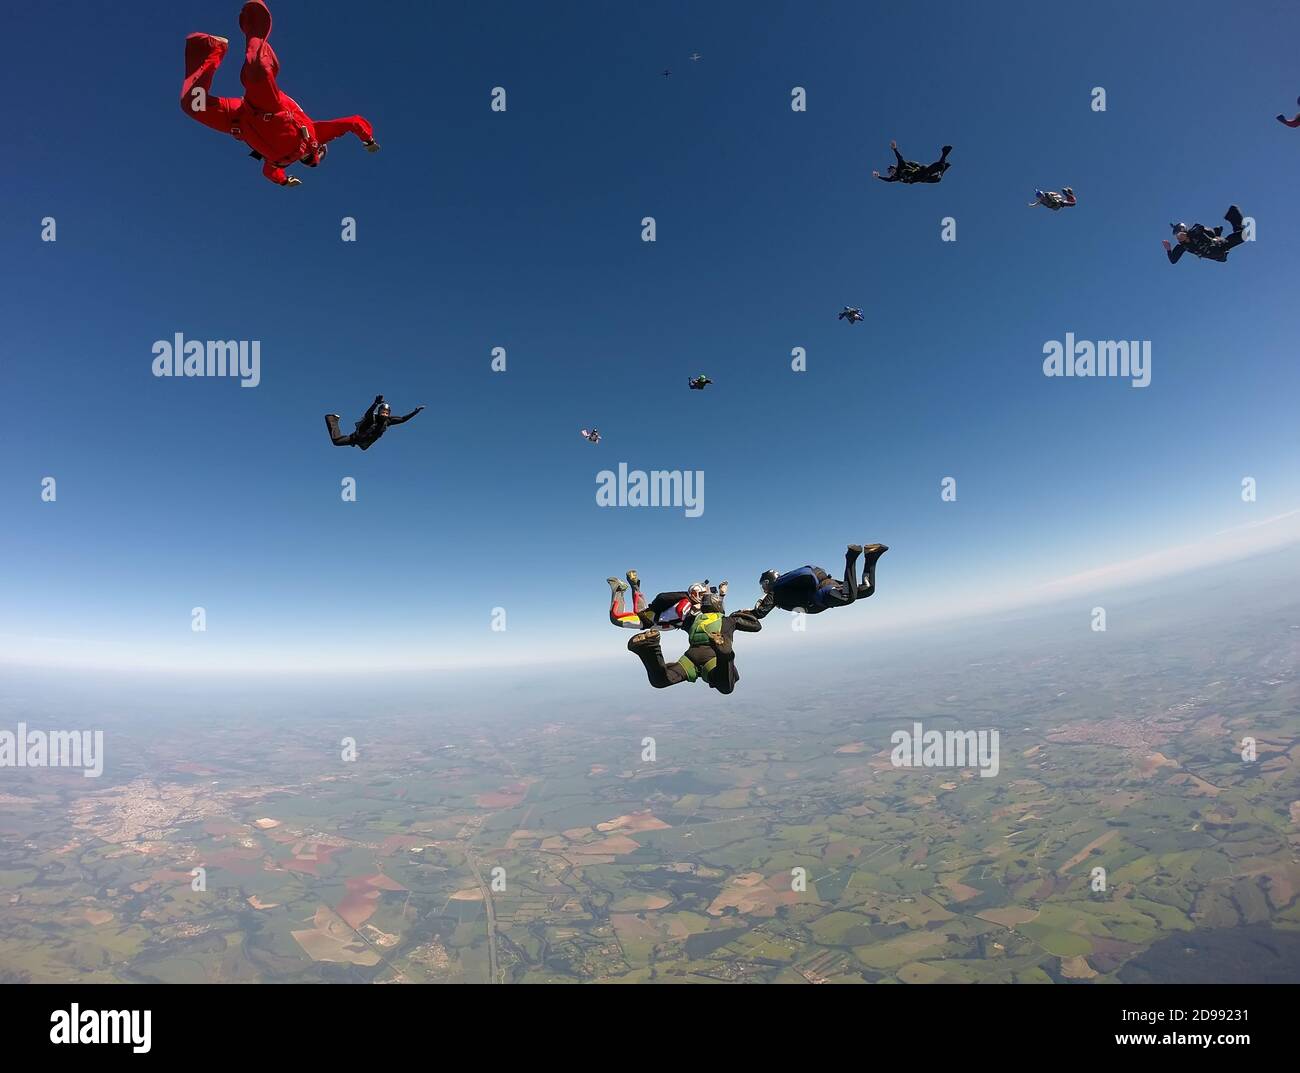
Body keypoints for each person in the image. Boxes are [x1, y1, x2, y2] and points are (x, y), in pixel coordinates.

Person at [180, 1, 379, 187]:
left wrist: (284, 181)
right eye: (315, 156)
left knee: (193, 104)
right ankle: (255, 33)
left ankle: (211, 49)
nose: (308, 158)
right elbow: (353, 122)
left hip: (239, 119)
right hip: (269, 107)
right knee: (257, 69)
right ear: (319, 149)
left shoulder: (277, 162)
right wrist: (368, 139)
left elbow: (269, 173)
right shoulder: (318, 134)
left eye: (308, 161)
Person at [626, 607, 761, 694]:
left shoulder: (693, 620)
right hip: (713, 658)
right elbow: (756, 626)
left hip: (690, 658)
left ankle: (649, 647)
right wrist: (741, 614)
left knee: (661, 680)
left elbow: (672, 621)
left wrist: (646, 618)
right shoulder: (728, 620)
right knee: (726, 687)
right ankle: (724, 653)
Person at [747, 543, 888, 618]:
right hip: (827, 585)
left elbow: (761, 613)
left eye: (764, 585)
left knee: (848, 597)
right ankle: (871, 556)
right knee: (868, 589)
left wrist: (747, 612)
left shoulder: (776, 592)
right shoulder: (784, 586)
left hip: (823, 595)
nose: (764, 589)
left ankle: (851, 557)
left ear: (768, 582)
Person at [608, 572, 725, 630]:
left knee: (641, 610)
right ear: (695, 595)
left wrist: (721, 595)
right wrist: (694, 610)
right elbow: (683, 612)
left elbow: (714, 610)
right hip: (650, 620)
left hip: (652, 616)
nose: (705, 599)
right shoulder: (687, 604)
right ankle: (618, 589)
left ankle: (635, 585)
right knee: (616, 619)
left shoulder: (686, 600)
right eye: (703, 595)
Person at [325, 396, 423, 450]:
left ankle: (360, 443)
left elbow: (402, 419)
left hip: (365, 442)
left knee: (363, 448)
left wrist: (414, 412)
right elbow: (368, 413)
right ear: (379, 412)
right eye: (382, 412)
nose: (384, 414)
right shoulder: (373, 417)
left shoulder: (388, 421)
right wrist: (375, 404)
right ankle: (332, 418)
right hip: (355, 438)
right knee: (336, 442)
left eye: (386, 413)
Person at [1163, 205, 1247, 264]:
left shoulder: (1195, 231)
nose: (1178, 238)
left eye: (1179, 234)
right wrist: (1168, 249)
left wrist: (1212, 232)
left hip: (1221, 245)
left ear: (1184, 231)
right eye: (1176, 236)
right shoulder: (1182, 246)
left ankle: (1232, 213)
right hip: (1218, 255)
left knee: (1244, 235)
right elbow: (1173, 260)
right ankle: (1227, 221)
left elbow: (1206, 231)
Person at [873, 141, 952, 184]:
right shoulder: (896, 177)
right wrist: (879, 176)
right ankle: (943, 168)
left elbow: (899, 158)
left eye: (891, 170)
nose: (891, 172)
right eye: (889, 172)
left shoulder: (901, 166)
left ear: (895, 168)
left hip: (921, 171)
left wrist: (895, 149)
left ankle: (944, 154)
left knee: (940, 166)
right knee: (937, 179)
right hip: (921, 179)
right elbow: (888, 180)